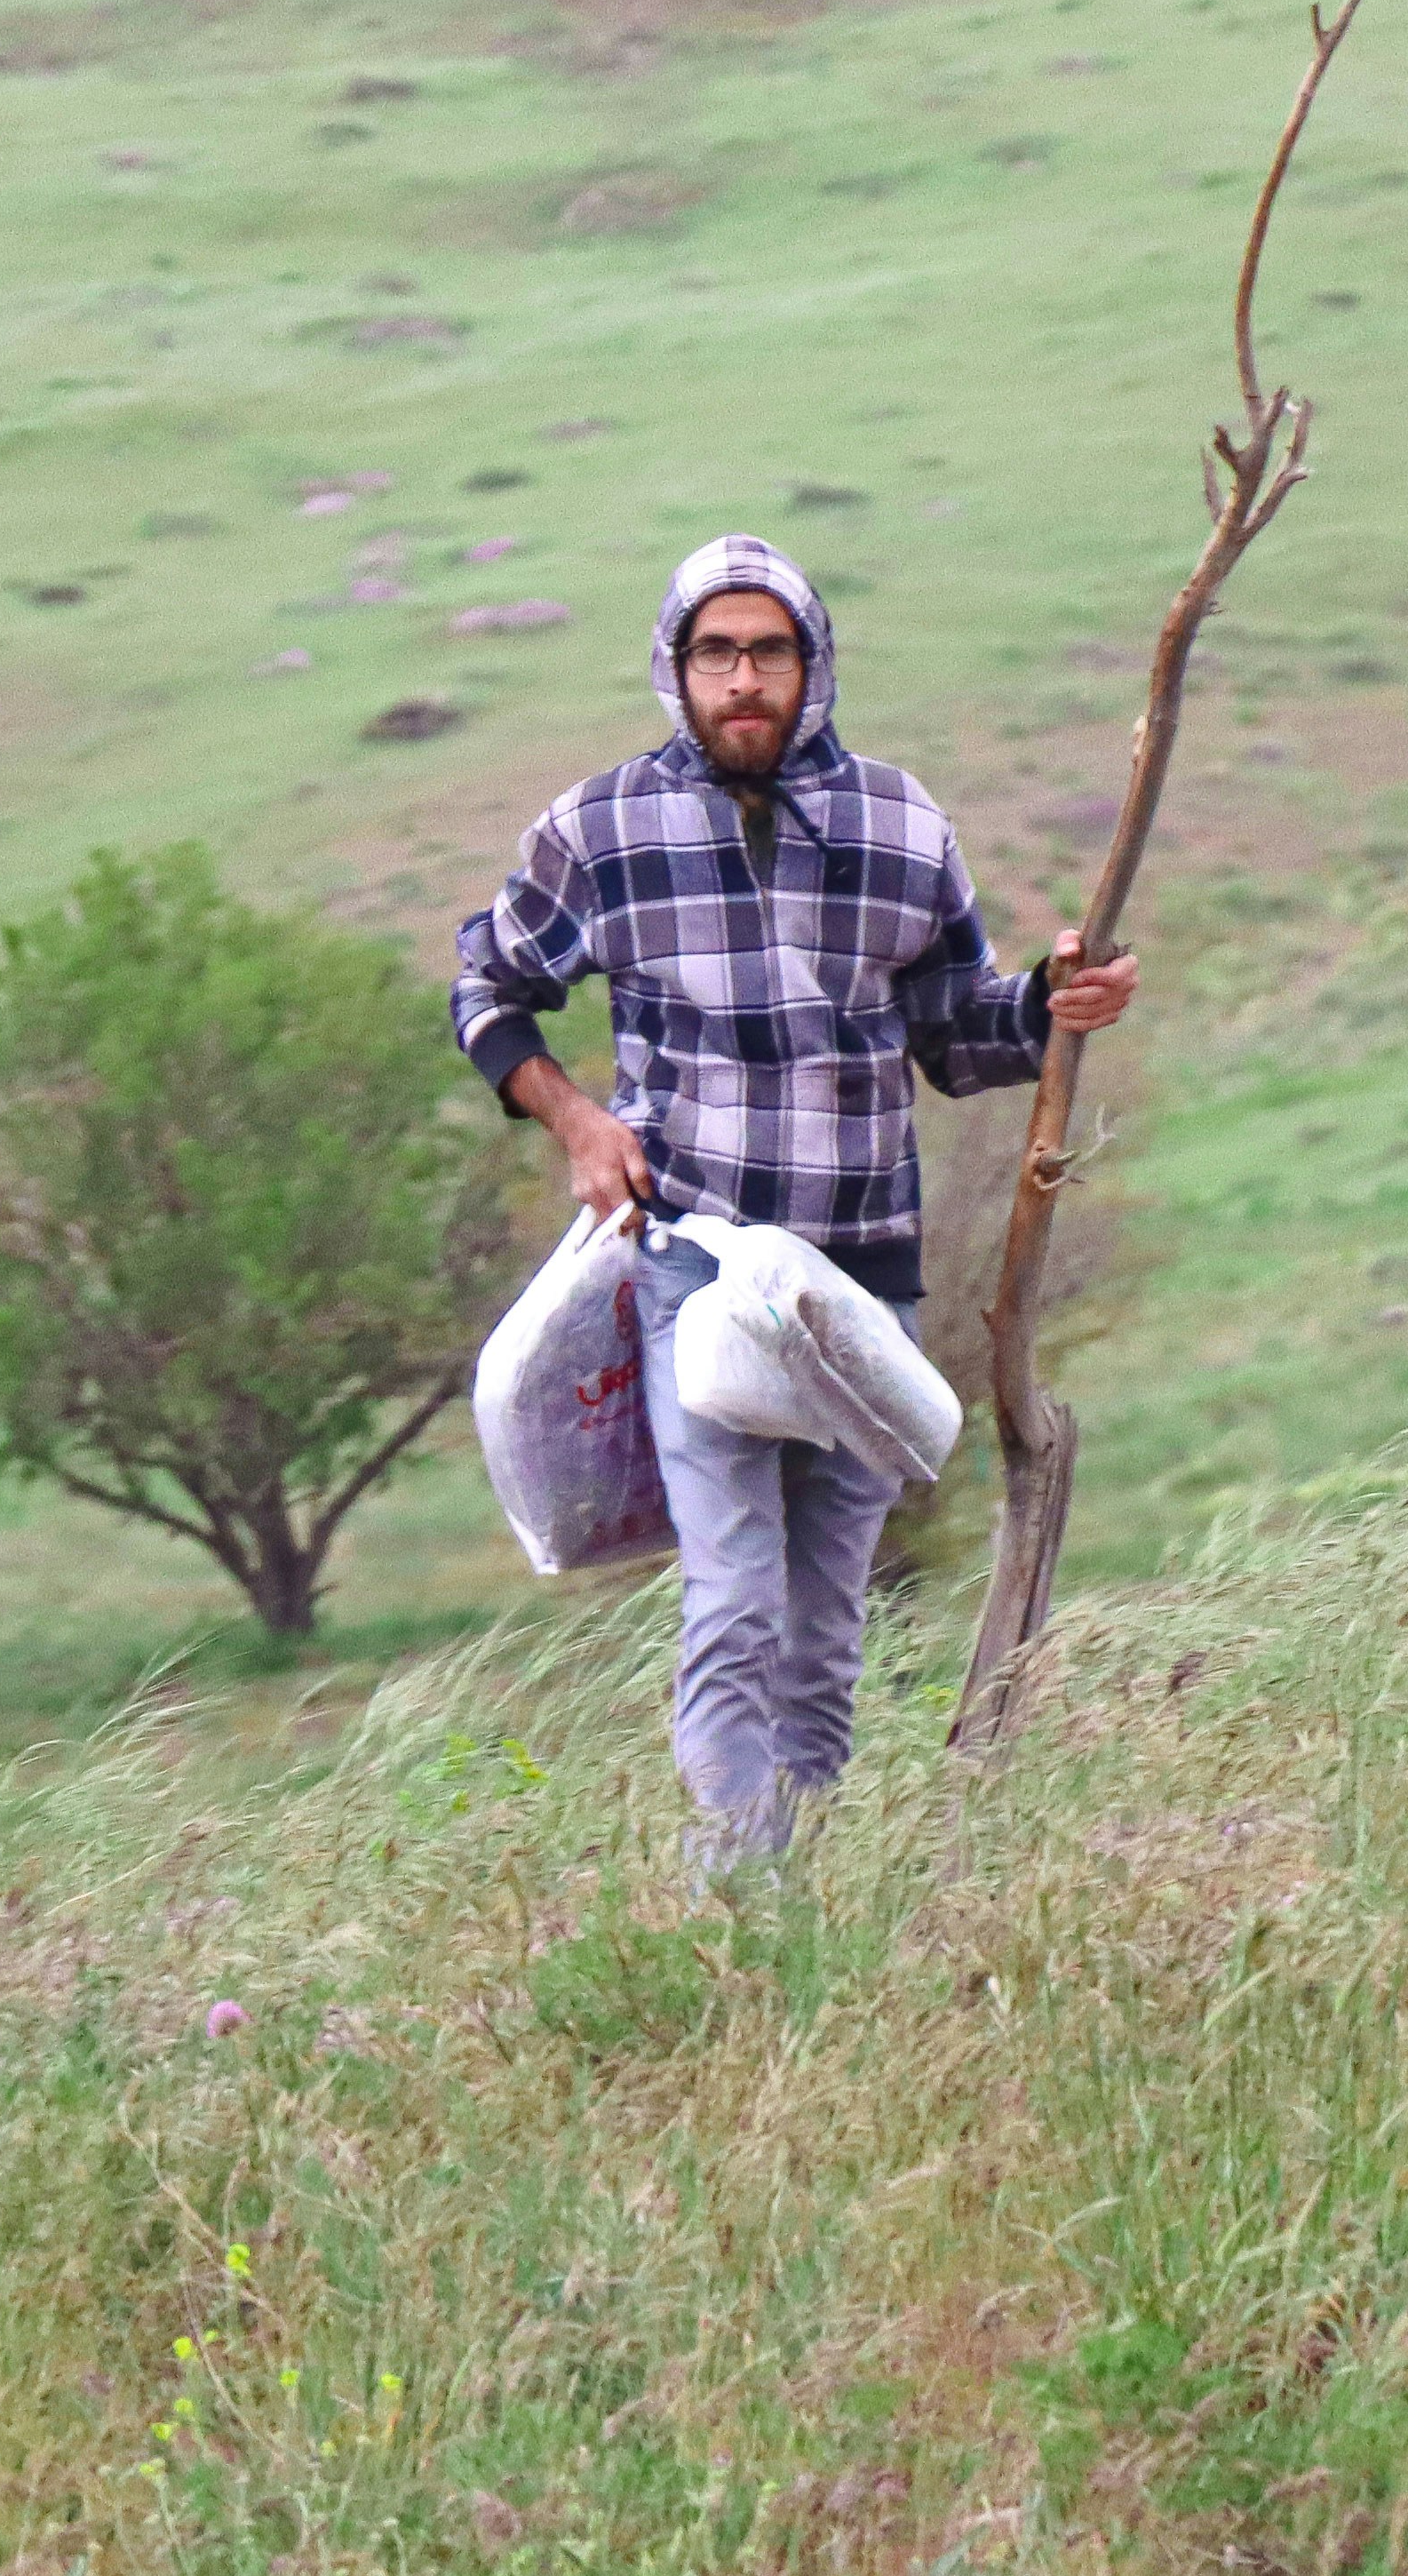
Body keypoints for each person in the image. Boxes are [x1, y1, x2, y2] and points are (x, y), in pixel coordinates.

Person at [448, 532, 1137, 1866]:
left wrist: (1055, 1007)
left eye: (769, 651)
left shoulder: (899, 824)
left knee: (825, 1636)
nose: (743, 679)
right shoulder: (599, 830)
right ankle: (733, 1915)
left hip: (860, 1276)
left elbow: (950, 1033)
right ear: (676, 669)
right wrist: (578, 1121)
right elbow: (488, 991)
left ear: (812, 668)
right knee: (736, 1603)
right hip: (695, 1265)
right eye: (716, 653)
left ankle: (797, 1897)